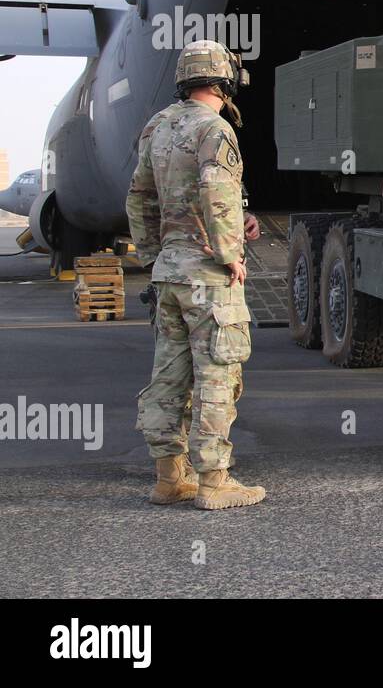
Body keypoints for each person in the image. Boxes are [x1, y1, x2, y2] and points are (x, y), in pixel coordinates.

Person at [126, 39, 265, 510]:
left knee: (169, 375)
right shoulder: (215, 128)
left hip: (169, 272)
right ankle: (214, 481)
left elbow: (139, 197)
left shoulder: (158, 126)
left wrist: (154, 256)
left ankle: (169, 477)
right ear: (224, 81)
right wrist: (230, 253)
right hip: (207, 276)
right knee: (217, 375)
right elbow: (215, 190)